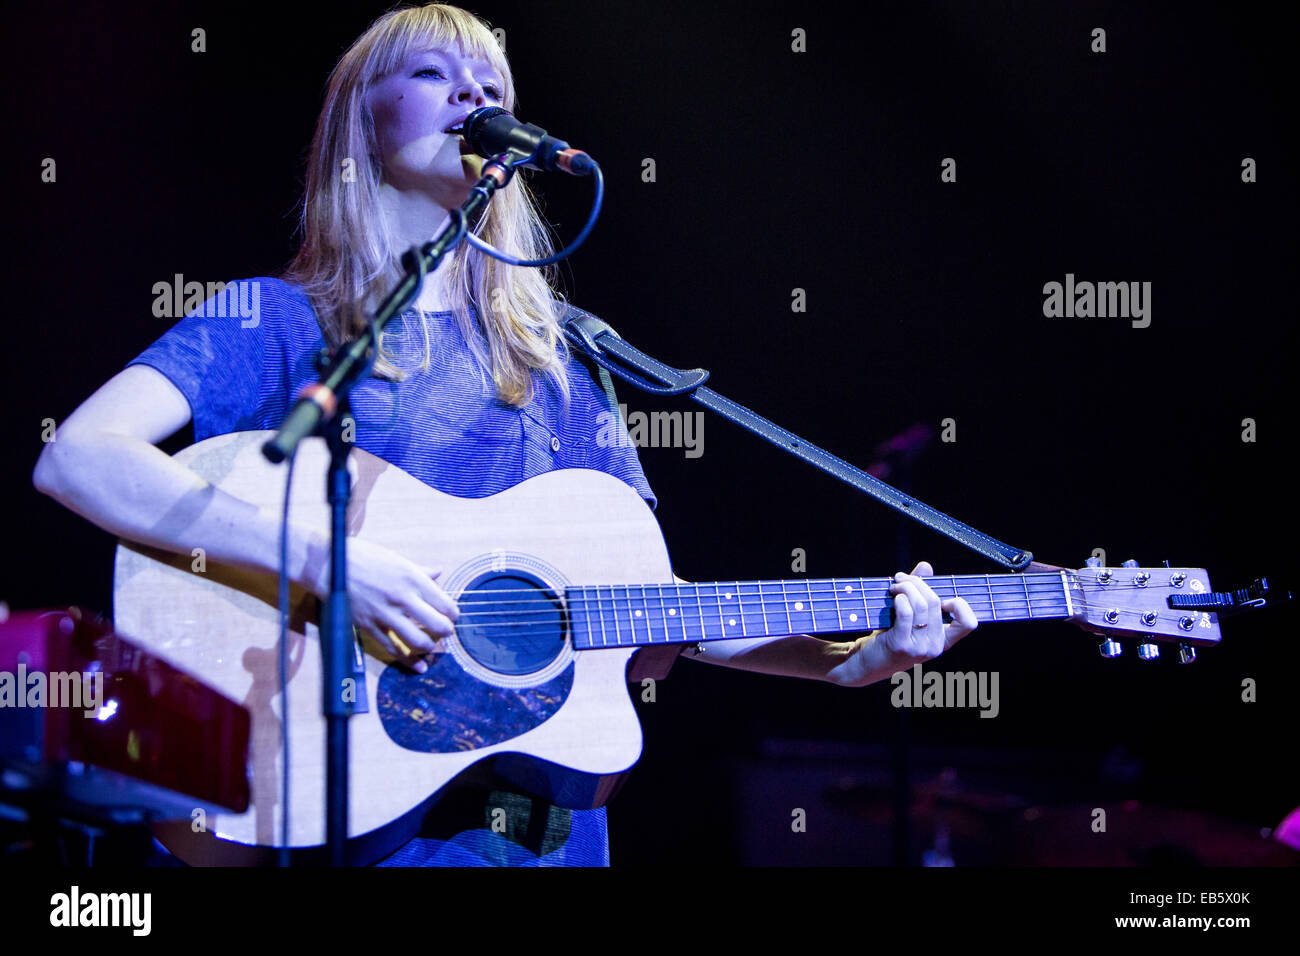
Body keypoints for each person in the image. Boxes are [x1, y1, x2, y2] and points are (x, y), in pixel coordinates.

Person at [31, 2, 978, 866]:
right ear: (363, 118)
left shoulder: (562, 360)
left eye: (493, 83)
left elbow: (645, 618)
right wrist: (324, 562)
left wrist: (843, 662)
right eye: (437, 74)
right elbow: (79, 459)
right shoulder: (275, 321)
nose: (477, 92)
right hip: (345, 822)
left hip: (542, 843)